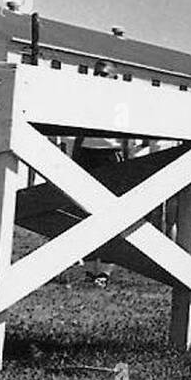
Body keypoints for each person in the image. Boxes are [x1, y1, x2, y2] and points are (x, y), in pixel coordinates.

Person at [72, 61, 125, 287]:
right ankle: (90, 268)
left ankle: (105, 271)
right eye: (97, 74)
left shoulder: (121, 102)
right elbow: (78, 133)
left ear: (114, 78)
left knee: (111, 214)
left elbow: (126, 138)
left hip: (110, 155)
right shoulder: (86, 97)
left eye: (105, 75)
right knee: (86, 212)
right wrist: (75, 161)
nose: (100, 78)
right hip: (87, 155)